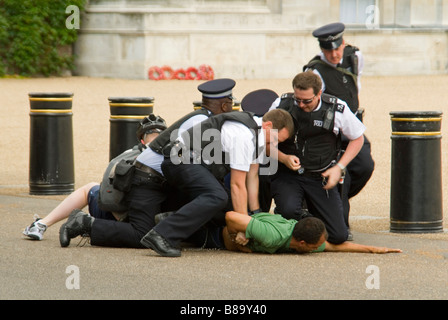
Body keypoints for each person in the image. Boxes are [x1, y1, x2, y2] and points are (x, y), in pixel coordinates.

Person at [58, 78, 237, 248]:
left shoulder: (201, 118)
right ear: (224, 105)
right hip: (146, 179)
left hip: (162, 180)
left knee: (210, 194)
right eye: (231, 103)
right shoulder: (204, 124)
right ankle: (84, 223)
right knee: (142, 234)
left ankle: (171, 219)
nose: (232, 108)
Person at [140, 108, 295, 257]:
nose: (274, 145)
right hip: (179, 161)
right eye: (275, 139)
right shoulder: (243, 136)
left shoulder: (257, 134)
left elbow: (252, 177)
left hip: (196, 165)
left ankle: (172, 218)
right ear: (268, 126)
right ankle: (161, 235)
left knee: (228, 208)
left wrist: (254, 214)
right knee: (217, 196)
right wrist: (244, 227)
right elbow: (237, 184)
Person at [23, 114, 167, 241]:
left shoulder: (129, 153)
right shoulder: (160, 156)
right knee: (91, 190)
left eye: (157, 134)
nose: (156, 137)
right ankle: (46, 223)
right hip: (129, 216)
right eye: (154, 134)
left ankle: (41, 224)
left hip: (117, 212)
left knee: (90, 189)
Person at [269, 71, 365, 245]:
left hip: (320, 176)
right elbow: (264, 140)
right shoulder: (281, 104)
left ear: (319, 93)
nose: (301, 105)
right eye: (297, 99)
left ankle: (309, 217)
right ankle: (296, 215)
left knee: (338, 236)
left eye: (307, 101)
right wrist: (283, 158)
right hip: (288, 175)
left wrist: (339, 167)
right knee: (289, 211)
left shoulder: (336, 108)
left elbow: (358, 138)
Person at [303, 22, 375, 205]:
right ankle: (336, 208)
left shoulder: (355, 57)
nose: (334, 55)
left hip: (351, 124)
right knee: (344, 173)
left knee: (365, 166)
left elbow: (355, 85)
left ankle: (331, 200)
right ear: (321, 49)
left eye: (337, 49)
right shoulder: (315, 71)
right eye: (329, 51)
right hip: (329, 129)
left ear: (343, 44)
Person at [222, 211, 402, 254]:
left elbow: (335, 246)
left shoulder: (303, 238)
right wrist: (236, 236)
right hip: (215, 237)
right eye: (315, 247)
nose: (319, 248)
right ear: (303, 245)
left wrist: (373, 249)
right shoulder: (273, 236)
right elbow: (230, 216)